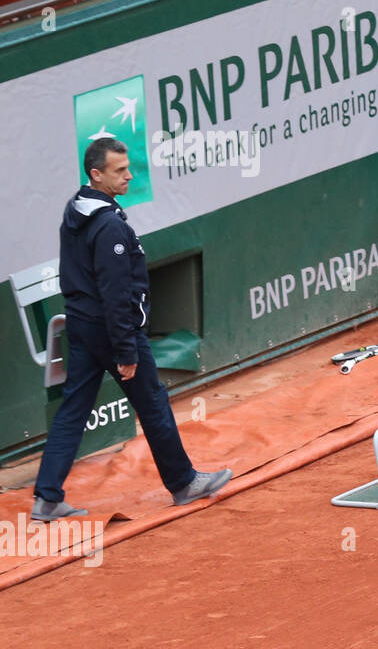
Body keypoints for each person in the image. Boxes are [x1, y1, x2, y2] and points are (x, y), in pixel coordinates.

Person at [31, 139, 232, 523]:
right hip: (113, 331)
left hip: (83, 327)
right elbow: (116, 293)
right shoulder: (106, 225)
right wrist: (126, 352)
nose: (129, 175)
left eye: (127, 167)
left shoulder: (77, 207)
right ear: (97, 175)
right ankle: (183, 482)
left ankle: (47, 498)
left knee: (73, 408)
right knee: (153, 403)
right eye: (120, 170)